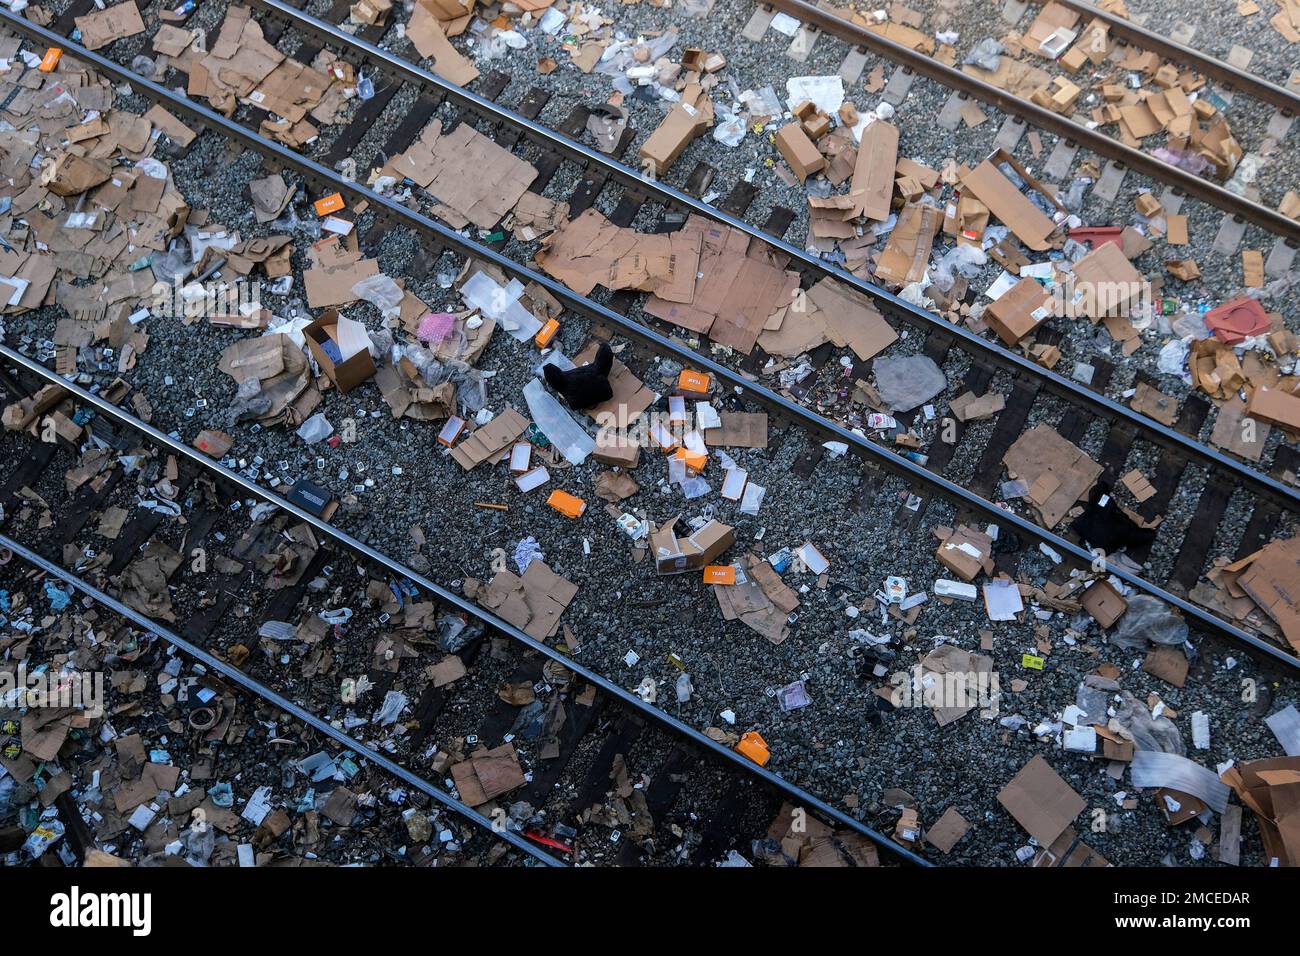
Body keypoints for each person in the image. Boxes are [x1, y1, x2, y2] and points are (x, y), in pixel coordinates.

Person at [542, 341, 614, 409]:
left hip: (599, 379)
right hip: (594, 372)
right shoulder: (566, 376)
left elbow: (606, 392)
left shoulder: (571, 397)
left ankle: (604, 353)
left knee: (575, 403)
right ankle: (604, 352)